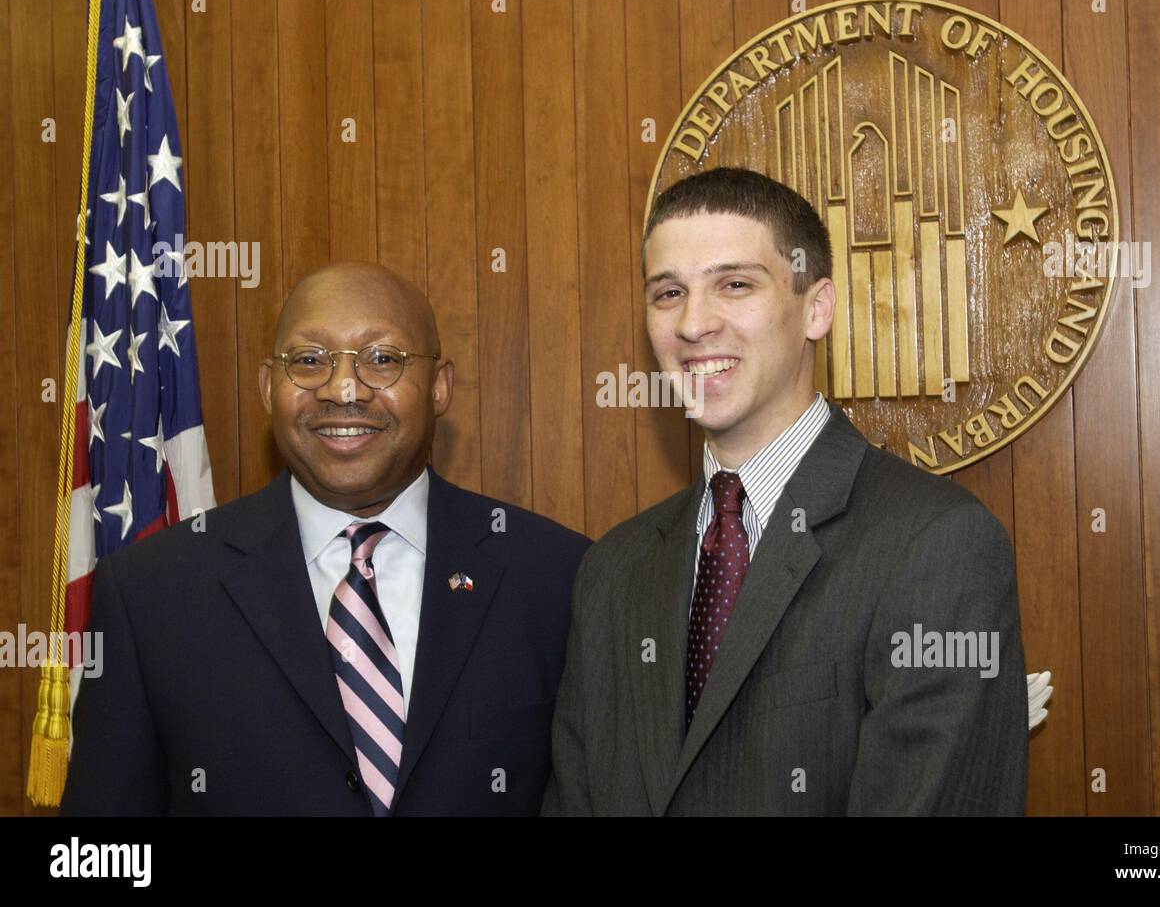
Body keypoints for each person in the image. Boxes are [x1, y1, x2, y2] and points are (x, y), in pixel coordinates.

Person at [543, 167, 1028, 815]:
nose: (692, 323)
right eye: (667, 292)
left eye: (734, 284)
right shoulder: (612, 569)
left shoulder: (937, 545)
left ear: (816, 308)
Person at [62, 261, 589, 815]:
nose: (342, 390)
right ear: (268, 387)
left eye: (382, 359)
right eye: (309, 361)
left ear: (439, 387)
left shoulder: (558, 578)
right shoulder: (152, 594)